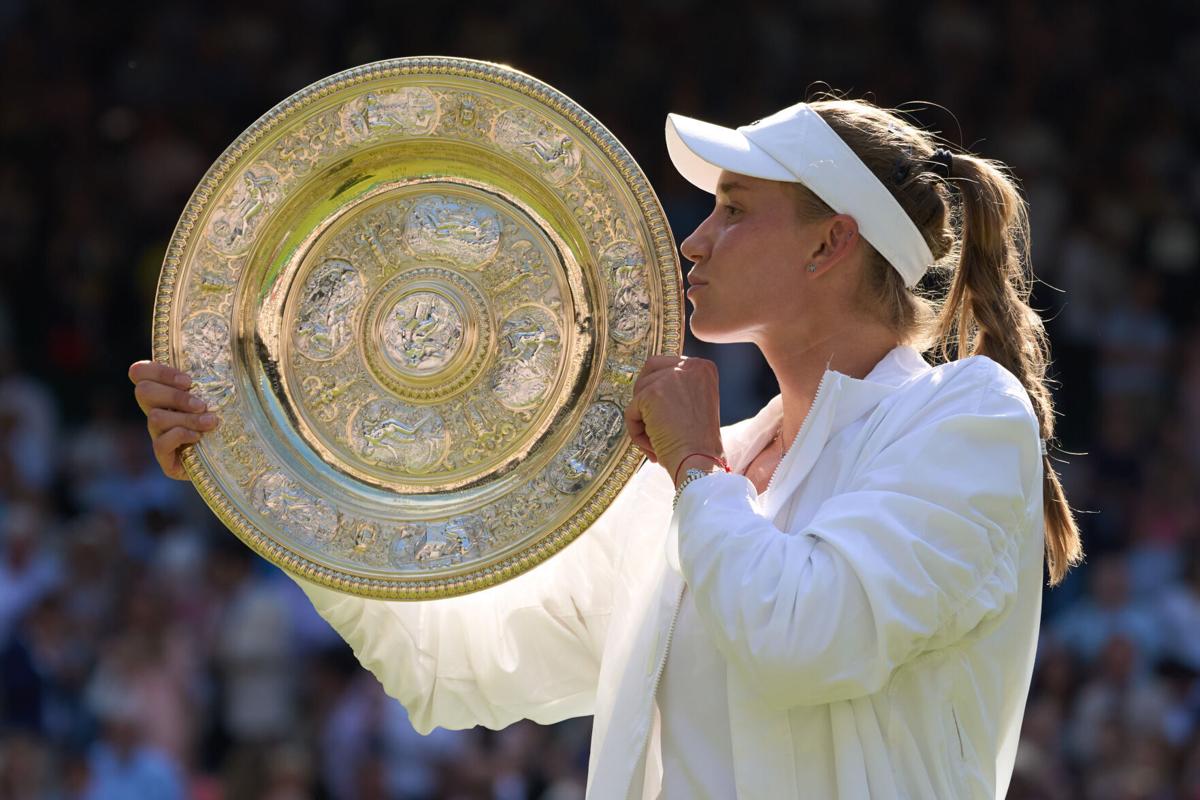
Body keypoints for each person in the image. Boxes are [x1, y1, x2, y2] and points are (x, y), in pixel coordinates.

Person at [130, 96, 1081, 799]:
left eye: (735, 209)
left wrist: (698, 468)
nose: (693, 242)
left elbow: (805, 639)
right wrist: (265, 470)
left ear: (831, 244)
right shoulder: (682, 473)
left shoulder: (964, 418)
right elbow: (451, 671)